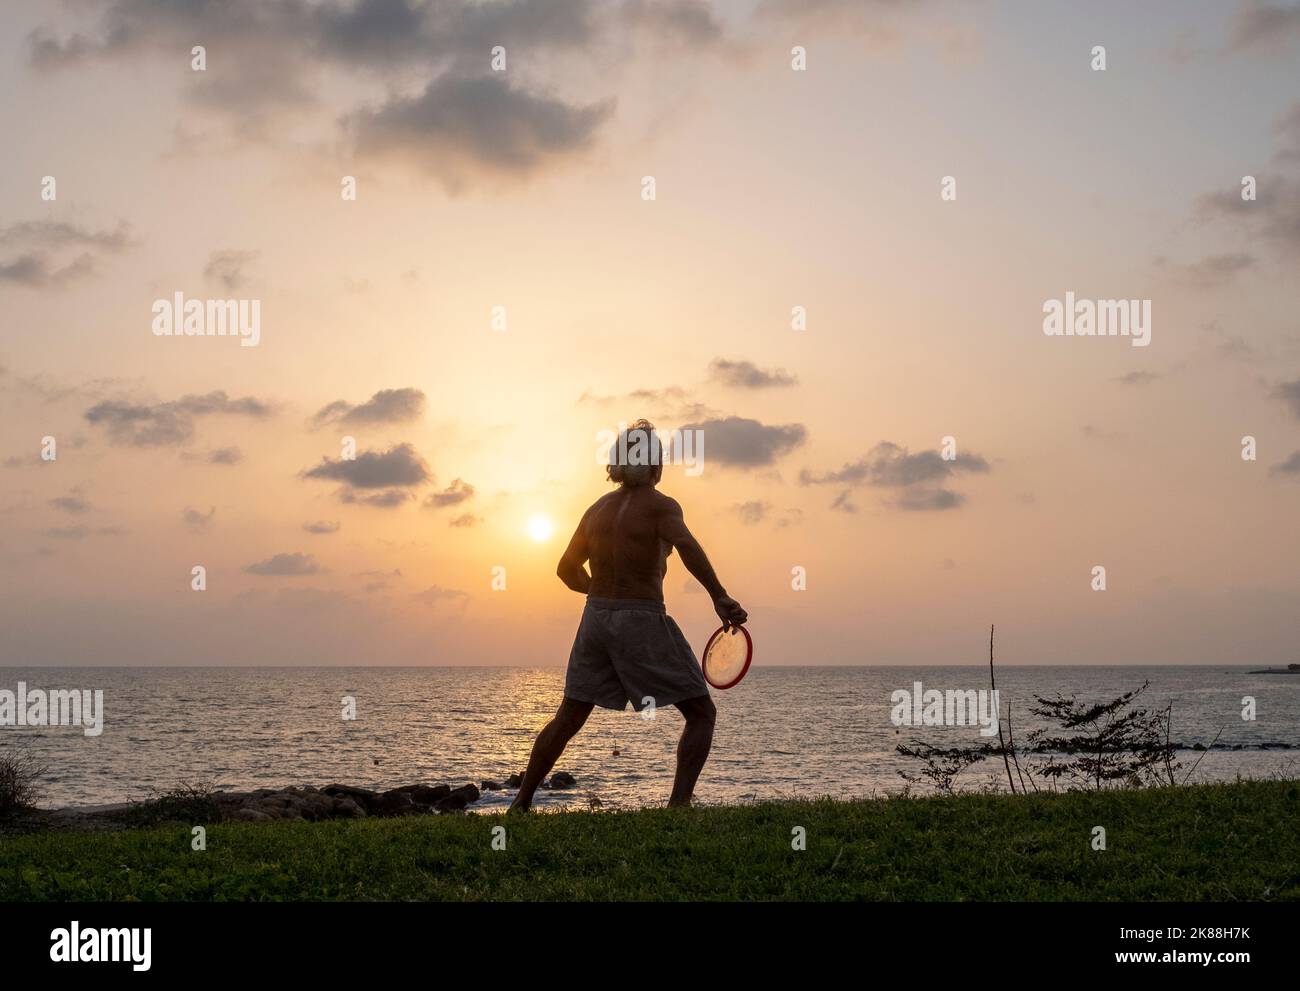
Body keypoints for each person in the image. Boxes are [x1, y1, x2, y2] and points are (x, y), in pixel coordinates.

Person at [509, 420, 747, 811]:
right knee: (701, 712)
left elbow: (566, 569)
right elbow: (686, 545)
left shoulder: (596, 510)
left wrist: (602, 594)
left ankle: (520, 803)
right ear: (656, 467)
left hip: (595, 619)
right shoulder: (661, 506)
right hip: (641, 616)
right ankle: (679, 806)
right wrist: (719, 597)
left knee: (568, 716)